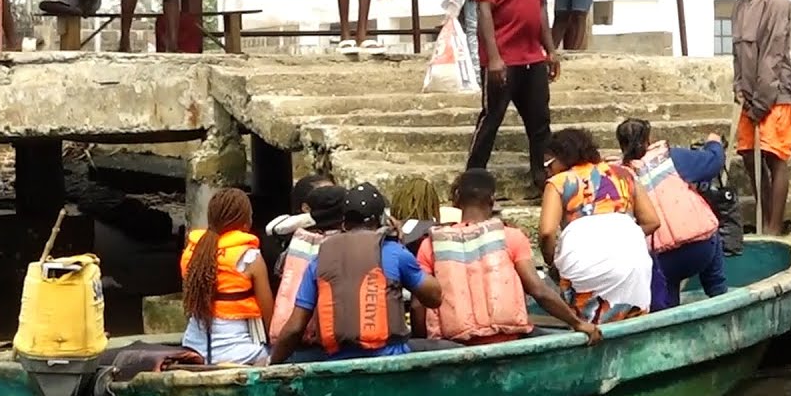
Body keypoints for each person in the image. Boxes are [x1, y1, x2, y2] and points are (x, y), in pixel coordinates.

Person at [416, 169, 602, 346]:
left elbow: (417, 306)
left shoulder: (430, 246)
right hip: (509, 339)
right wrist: (577, 323)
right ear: (493, 200)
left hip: (454, 345)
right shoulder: (511, 237)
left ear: (456, 200)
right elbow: (538, 291)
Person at [269, 183, 450, 364]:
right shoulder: (394, 252)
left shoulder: (320, 259)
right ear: (381, 219)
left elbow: (294, 328)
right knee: (452, 349)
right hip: (389, 358)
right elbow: (434, 298)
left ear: (344, 223)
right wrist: (400, 245)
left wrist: (272, 364)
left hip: (336, 360)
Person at [465, 0, 559, 192]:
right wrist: (493, 58)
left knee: (540, 122)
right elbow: (484, 10)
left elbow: (540, 4)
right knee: (492, 118)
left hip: (532, 55)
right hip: (503, 58)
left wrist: (550, 49)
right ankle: (472, 180)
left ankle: (543, 181)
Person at [539, 128, 661, 322]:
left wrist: (551, 262)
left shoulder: (558, 182)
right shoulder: (624, 174)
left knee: (587, 324)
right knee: (631, 319)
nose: (546, 169)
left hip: (581, 264)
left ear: (562, 157)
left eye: (548, 163)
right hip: (632, 263)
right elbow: (652, 221)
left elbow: (546, 232)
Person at [616, 119, 729, 307]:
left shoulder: (619, 175)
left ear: (621, 145)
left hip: (659, 261)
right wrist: (714, 143)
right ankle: (719, 293)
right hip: (701, 250)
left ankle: (668, 313)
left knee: (665, 291)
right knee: (711, 230)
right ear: (648, 139)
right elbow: (713, 162)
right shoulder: (672, 158)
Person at [730, 0, 791, 235]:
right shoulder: (740, 5)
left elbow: (772, 54)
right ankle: (764, 213)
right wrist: (738, 88)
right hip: (748, 93)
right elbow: (737, 55)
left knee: (774, 156)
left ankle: (774, 227)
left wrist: (761, 102)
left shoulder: (777, 3)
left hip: (775, 92)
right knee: (748, 153)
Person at [179, 188, 274, 365]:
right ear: (245, 221)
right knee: (276, 356)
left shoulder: (193, 252)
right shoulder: (250, 257)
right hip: (237, 351)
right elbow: (268, 314)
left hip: (193, 345)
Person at [268, 183, 346, 360]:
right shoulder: (339, 246)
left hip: (289, 340)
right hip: (323, 342)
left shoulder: (299, 239)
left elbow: (275, 227)